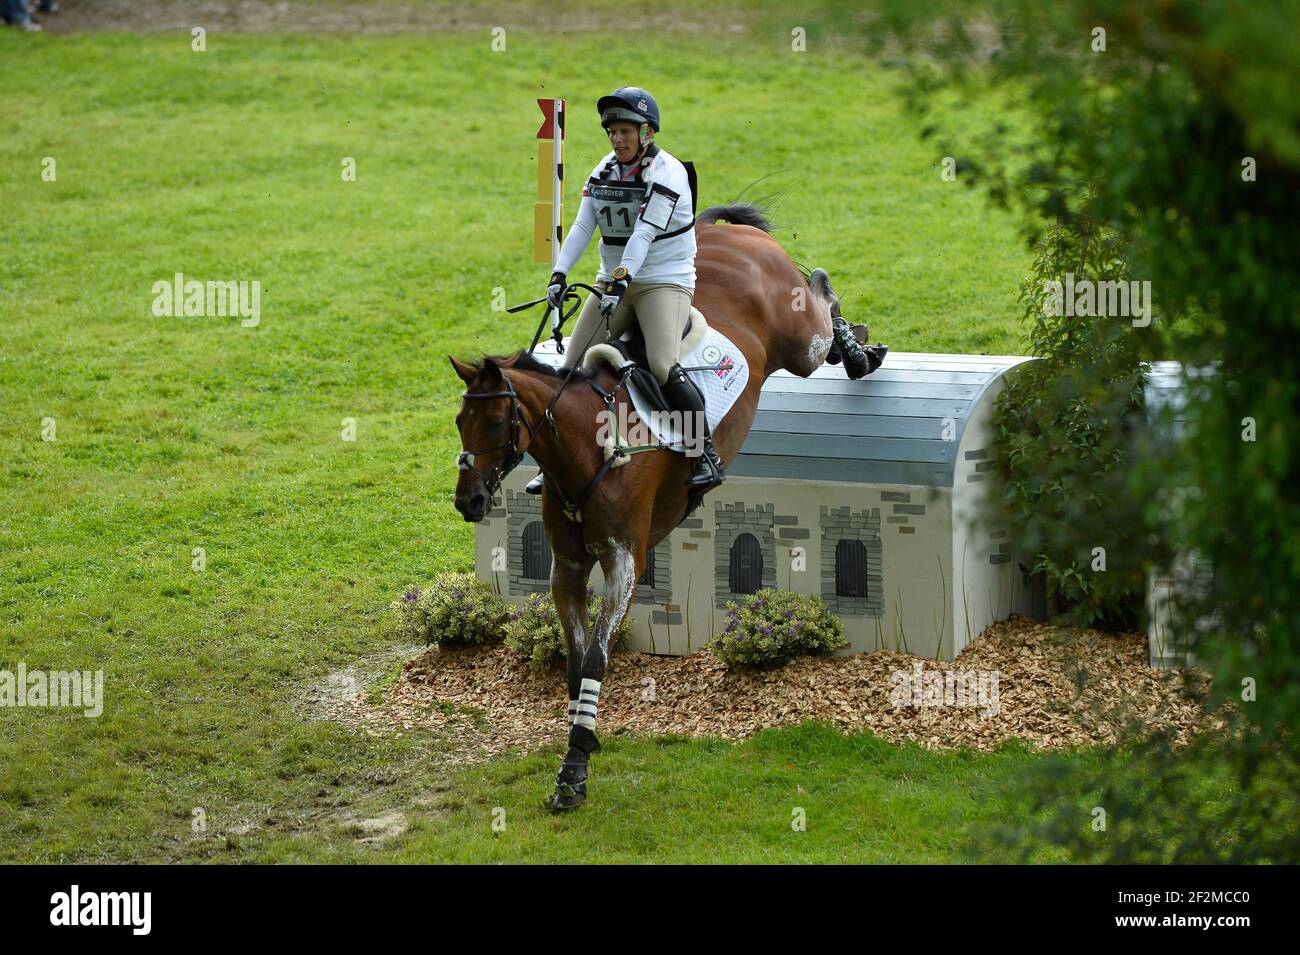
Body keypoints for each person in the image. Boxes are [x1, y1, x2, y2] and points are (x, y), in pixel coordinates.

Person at [525, 85, 725, 495]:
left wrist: (619, 282)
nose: (617, 139)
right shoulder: (603, 172)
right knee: (570, 367)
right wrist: (559, 274)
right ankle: (556, 462)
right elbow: (584, 226)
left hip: (663, 281)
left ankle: (704, 452)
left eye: (625, 131)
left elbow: (645, 235)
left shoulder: (668, 174)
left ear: (646, 132)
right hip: (614, 280)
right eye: (612, 132)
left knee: (662, 363)